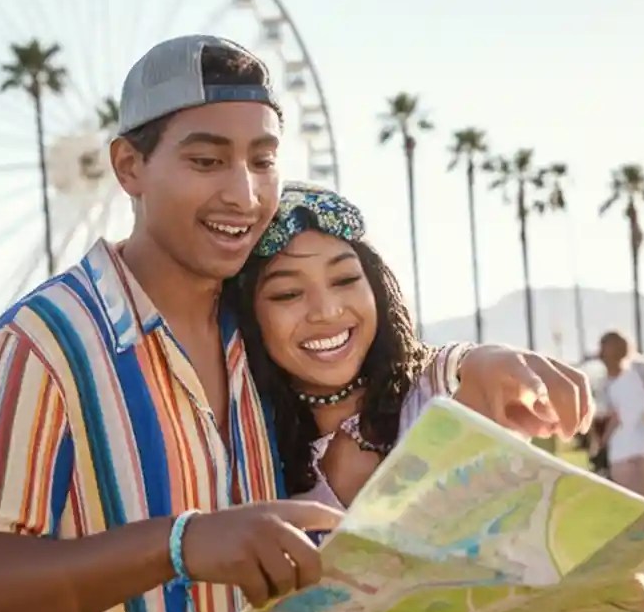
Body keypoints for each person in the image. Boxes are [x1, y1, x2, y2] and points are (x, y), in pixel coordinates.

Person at [0, 35, 595, 612]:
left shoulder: (256, 332)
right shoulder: (44, 345)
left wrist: (472, 364)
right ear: (130, 167)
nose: (244, 195)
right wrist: (180, 545)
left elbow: (370, 375)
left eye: (263, 160)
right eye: (207, 161)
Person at [231, 183, 592, 508]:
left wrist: (485, 360)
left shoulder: (437, 398)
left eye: (345, 279)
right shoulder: (241, 447)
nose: (327, 311)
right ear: (247, 316)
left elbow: (461, 369)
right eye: (288, 293)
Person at [597, 331, 644, 498]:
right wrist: (602, 444)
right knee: (628, 500)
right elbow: (614, 415)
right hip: (622, 443)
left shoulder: (639, 368)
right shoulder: (606, 382)